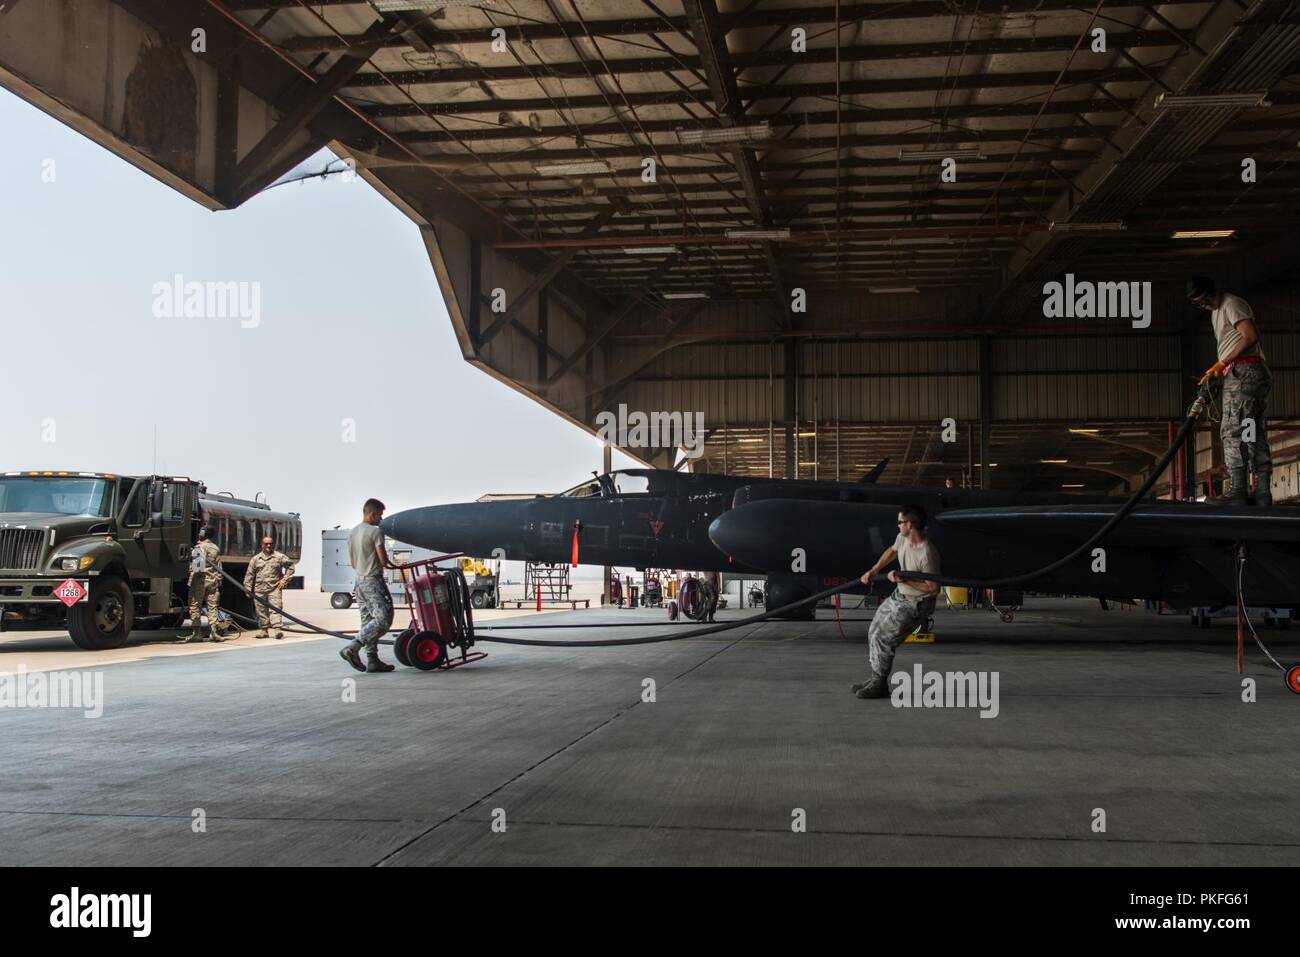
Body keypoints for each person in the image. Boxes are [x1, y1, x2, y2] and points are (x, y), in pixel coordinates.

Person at [1187, 276, 1273, 507]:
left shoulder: (1231, 304)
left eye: (1205, 299)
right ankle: (1262, 491)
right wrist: (1220, 370)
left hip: (1244, 371)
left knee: (1233, 429)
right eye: (1198, 303)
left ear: (1213, 290)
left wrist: (1221, 363)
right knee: (1251, 430)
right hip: (1244, 373)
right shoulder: (1217, 312)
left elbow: (1250, 336)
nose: (1204, 305)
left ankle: (1238, 491)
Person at [853, 504, 941, 699]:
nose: (898, 526)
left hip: (917, 603)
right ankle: (877, 677)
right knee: (873, 632)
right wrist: (873, 571)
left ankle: (879, 684)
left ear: (910, 524)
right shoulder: (902, 538)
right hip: (899, 595)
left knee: (883, 638)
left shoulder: (927, 552)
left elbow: (934, 588)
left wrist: (905, 580)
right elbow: (892, 551)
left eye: (900, 522)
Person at [341, 498, 397, 674]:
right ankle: (353, 647)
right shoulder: (375, 532)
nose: (381, 519)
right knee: (383, 618)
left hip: (359, 581)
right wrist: (390, 563)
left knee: (367, 620)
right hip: (373, 580)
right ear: (372, 514)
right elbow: (382, 559)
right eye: (380, 515)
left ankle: (373, 660)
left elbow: (351, 561)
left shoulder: (353, 532)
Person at [243, 536, 295, 639]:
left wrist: (283, 581)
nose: (269, 546)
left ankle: (277, 630)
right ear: (262, 545)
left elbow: (291, 567)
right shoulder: (256, 559)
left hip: (274, 588)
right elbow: (249, 574)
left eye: (270, 544)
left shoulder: (279, 557)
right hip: (259, 589)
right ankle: (264, 630)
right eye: (266, 544)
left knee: (276, 608)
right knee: (260, 610)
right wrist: (247, 588)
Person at [179, 526, 223, 643]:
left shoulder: (199, 547)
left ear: (203, 534)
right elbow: (219, 567)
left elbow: (197, 568)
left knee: (195, 605)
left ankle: (197, 633)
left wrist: (190, 580)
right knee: (212, 607)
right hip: (212, 582)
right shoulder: (215, 548)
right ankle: (213, 632)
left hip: (199, 582)